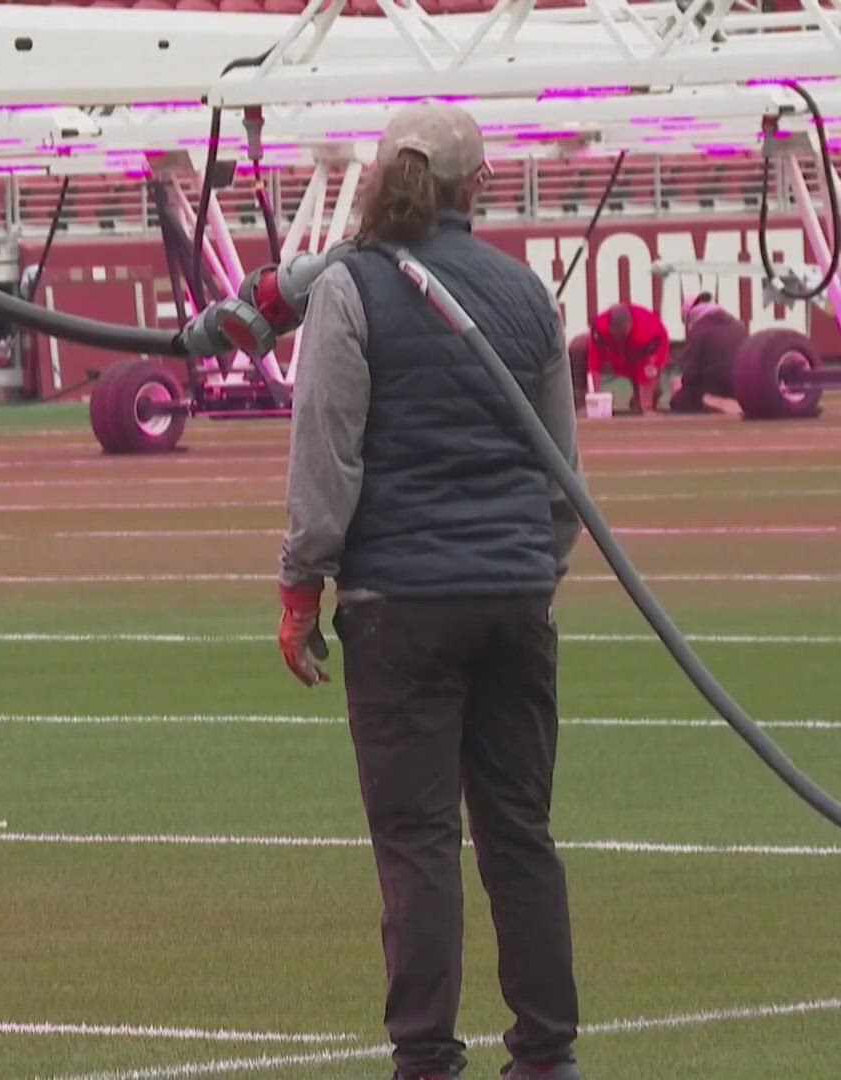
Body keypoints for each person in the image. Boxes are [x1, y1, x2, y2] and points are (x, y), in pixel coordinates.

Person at [277, 100, 587, 1080]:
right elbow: (563, 477)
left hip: (400, 607)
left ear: (376, 180)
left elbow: (328, 448)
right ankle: (547, 1055)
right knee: (520, 835)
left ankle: (425, 1059)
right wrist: (530, 573)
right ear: (476, 185)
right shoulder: (526, 293)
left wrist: (301, 584)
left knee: (417, 846)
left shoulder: (352, 287)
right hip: (514, 600)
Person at [582, 301, 669, 414]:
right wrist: (595, 399)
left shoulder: (650, 331)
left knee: (648, 376)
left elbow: (648, 370)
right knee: (578, 347)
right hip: (614, 349)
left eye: (622, 334)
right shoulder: (600, 328)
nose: (619, 337)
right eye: (616, 333)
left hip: (646, 347)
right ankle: (580, 402)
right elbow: (594, 364)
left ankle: (648, 398)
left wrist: (647, 408)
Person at [666, 292, 746, 414]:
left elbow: (691, 371)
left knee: (679, 399)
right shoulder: (738, 325)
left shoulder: (699, 329)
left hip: (713, 386)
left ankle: (713, 401)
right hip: (738, 386)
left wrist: (680, 385)